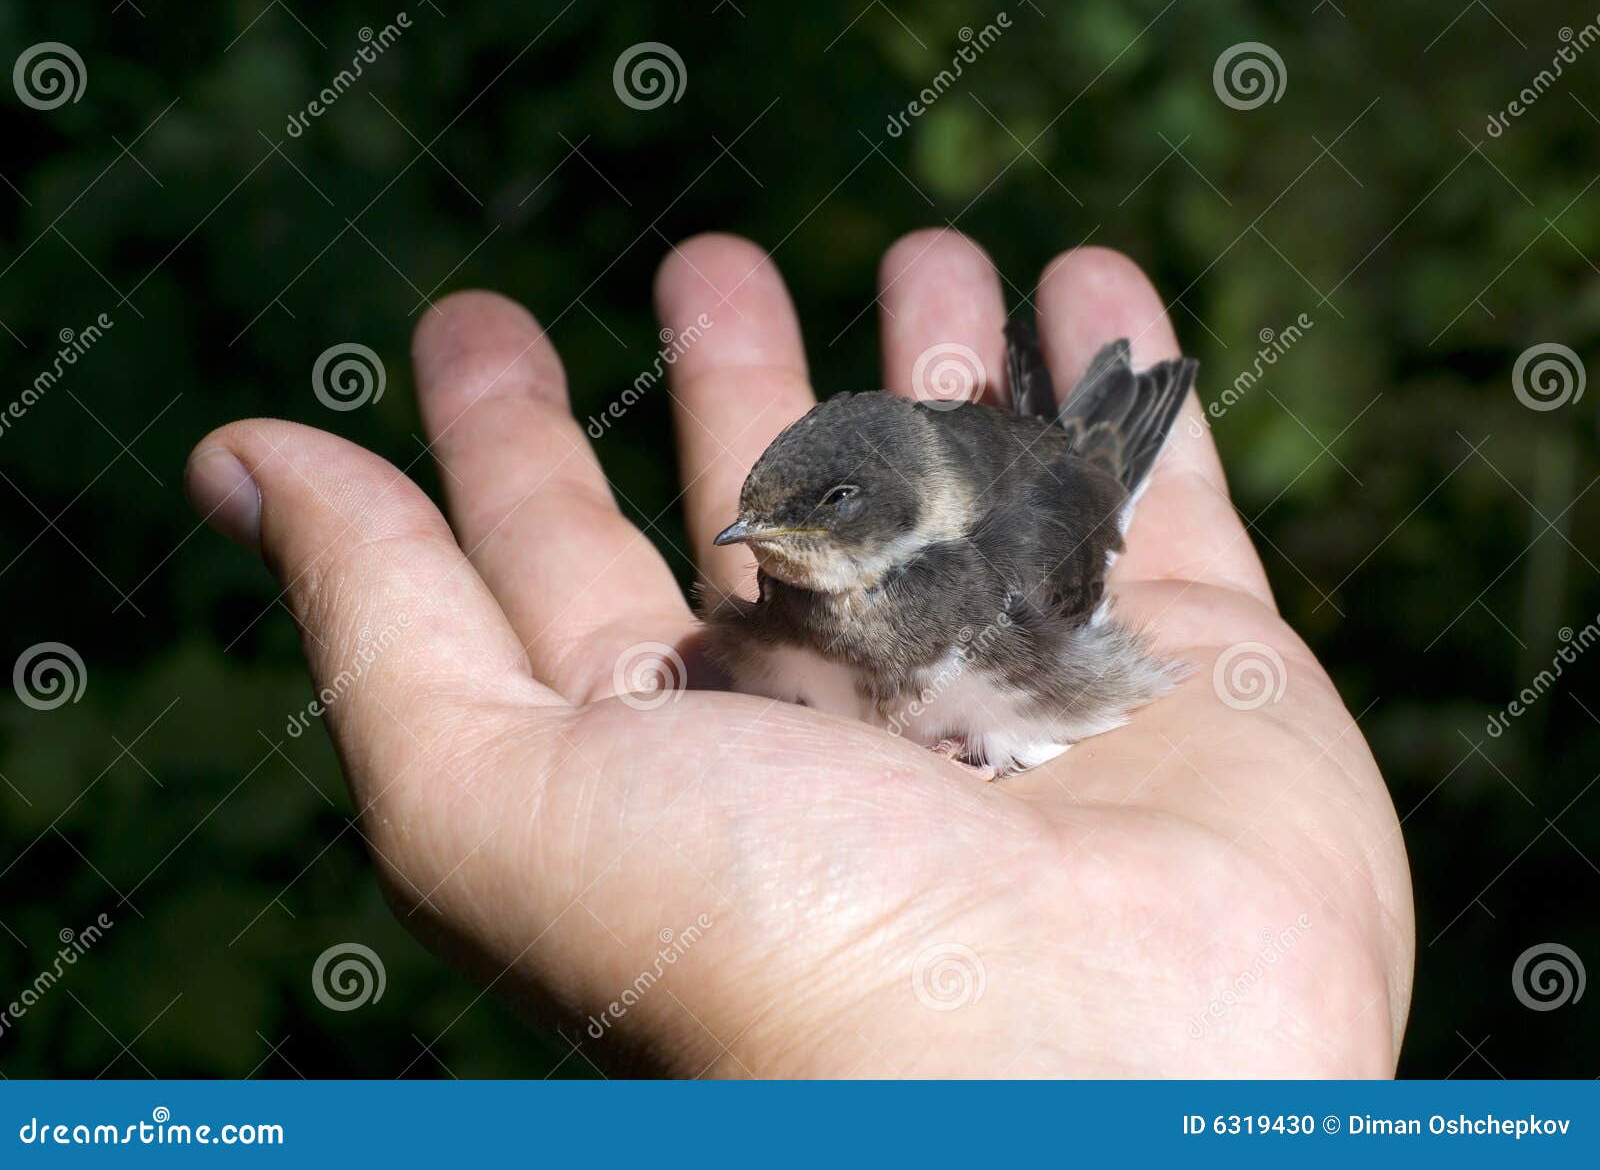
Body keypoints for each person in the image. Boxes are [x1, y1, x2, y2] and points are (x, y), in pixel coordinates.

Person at [182, 230, 1414, 1077]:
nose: (755, 553)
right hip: (995, 457)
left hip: (1051, 478)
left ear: (891, 513)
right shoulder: (789, 582)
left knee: (1056, 486)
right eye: (759, 525)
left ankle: (1093, 419)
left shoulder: (1008, 556)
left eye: (799, 523)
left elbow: (1041, 565)